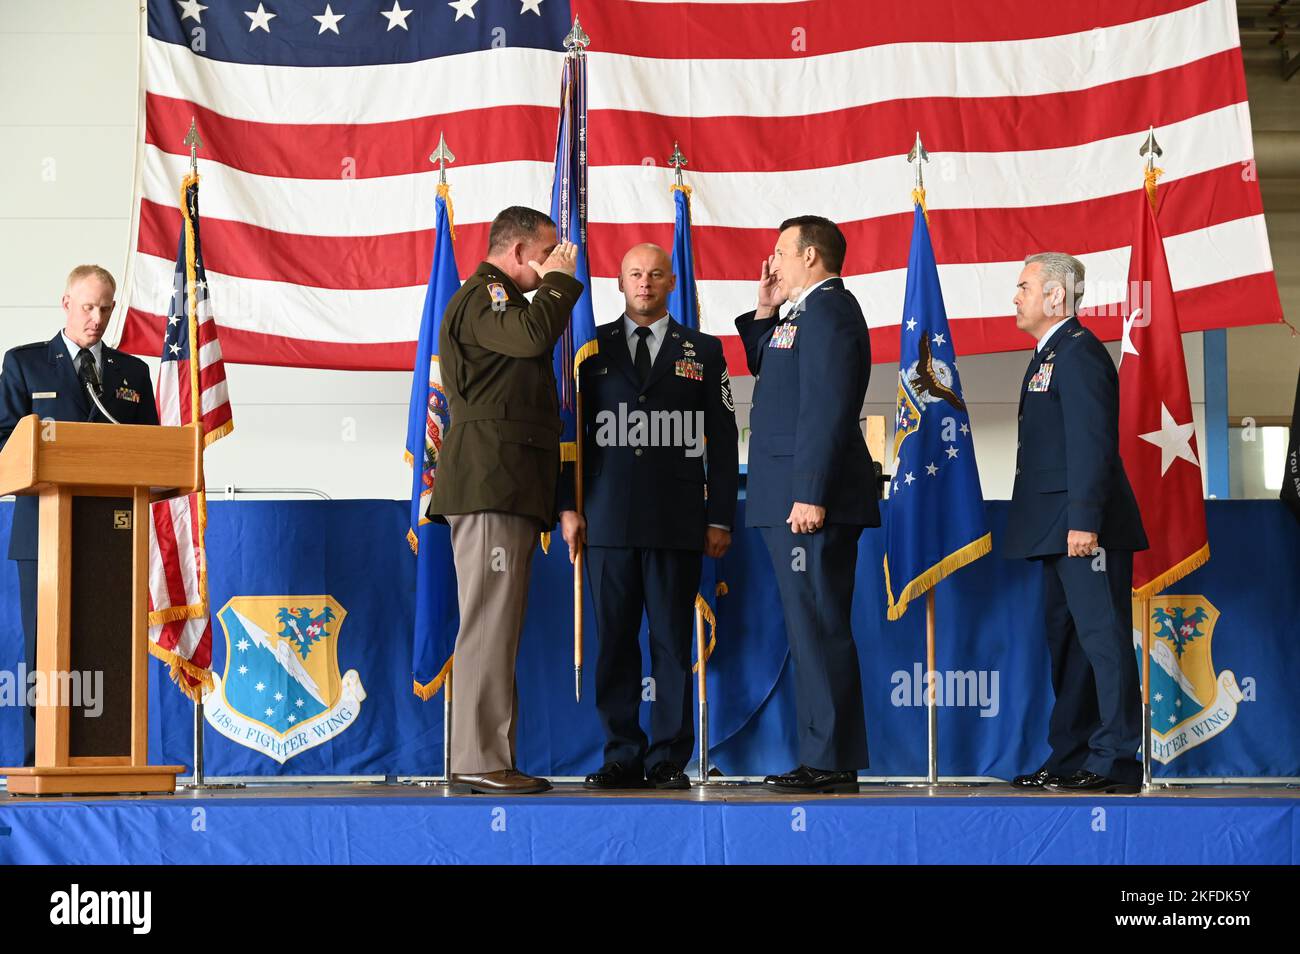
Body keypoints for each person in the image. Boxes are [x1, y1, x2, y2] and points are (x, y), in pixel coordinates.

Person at [558, 243, 738, 790]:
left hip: (677, 520)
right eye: (635, 273)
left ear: (672, 281)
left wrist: (720, 517)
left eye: (656, 273)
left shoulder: (702, 350)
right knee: (613, 641)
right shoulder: (592, 348)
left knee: (669, 641)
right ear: (619, 282)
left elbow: (724, 441)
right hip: (605, 520)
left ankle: (666, 759)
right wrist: (567, 505)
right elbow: (570, 434)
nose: (645, 282)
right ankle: (621, 754)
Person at [426, 206, 582, 795]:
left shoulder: (507, 301)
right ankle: (478, 758)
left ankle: (489, 754)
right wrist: (563, 282)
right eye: (546, 255)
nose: (553, 266)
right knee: (488, 623)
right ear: (517, 252)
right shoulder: (483, 298)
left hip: (509, 486)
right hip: (490, 485)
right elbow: (532, 336)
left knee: (498, 624)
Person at [734, 216, 878, 794]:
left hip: (808, 501)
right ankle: (824, 753)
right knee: (807, 629)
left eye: (781, 253)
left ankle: (831, 758)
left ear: (811, 255)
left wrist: (809, 493)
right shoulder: (801, 312)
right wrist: (766, 312)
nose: (773, 263)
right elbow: (771, 368)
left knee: (818, 627)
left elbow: (826, 407)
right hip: (786, 496)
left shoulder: (832, 311)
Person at [0, 265, 159, 766]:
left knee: (107, 647)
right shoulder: (25, 364)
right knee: (47, 653)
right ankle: (40, 762)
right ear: (65, 302)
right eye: (87, 306)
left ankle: (106, 759)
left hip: (113, 532)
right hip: (44, 531)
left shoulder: (132, 373)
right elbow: (4, 442)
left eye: (105, 308)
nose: (96, 318)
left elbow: (151, 450)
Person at [1004, 252, 1148, 794]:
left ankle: (1115, 760)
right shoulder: (1049, 354)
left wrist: (1084, 521)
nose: (1015, 297)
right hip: (1054, 527)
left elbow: (1092, 443)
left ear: (1056, 296)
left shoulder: (1081, 353)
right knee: (1067, 645)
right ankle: (1069, 758)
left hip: (1085, 528)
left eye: (1024, 286)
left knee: (1102, 641)